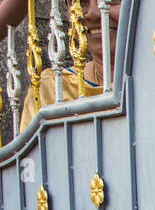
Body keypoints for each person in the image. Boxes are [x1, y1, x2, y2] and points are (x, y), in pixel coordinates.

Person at [18, 0, 120, 132]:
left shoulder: (154, 79)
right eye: (81, 2)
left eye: (109, 0)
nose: (93, 13)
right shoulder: (52, 90)